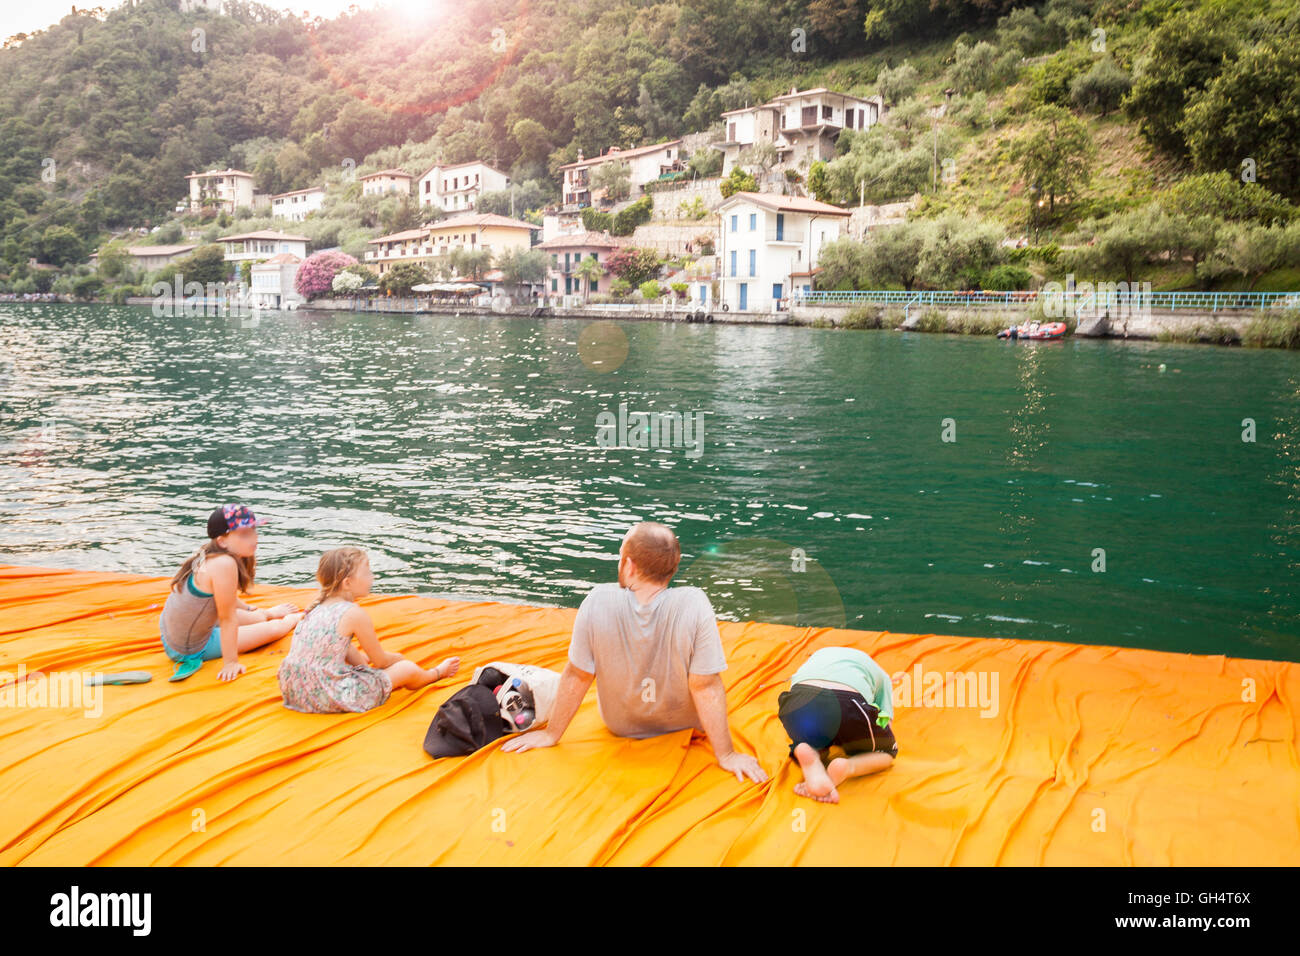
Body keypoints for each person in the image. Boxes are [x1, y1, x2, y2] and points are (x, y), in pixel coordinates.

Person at [502, 522, 767, 784]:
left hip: (621, 726)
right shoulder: (694, 603)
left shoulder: (597, 600)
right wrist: (727, 754)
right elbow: (704, 685)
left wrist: (551, 735)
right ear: (673, 566)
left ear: (629, 566)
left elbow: (577, 675)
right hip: (685, 724)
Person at [277, 547, 460, 713]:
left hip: (295, 691)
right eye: (367, 573)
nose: (372, 577)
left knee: (359, 659)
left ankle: (369, 678)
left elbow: (341, 646)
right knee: (406, 668)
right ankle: (435, 673)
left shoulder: (316, 607)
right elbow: (380, 661)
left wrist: (364, 669)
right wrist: (397, 658)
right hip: (328, 696)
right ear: (347, 583)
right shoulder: (353, 613)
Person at [160, 504, 303, 682]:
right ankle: (294, 619)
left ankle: (267, 614)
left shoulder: (209, 553)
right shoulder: (224, 563)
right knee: (275, 629)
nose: (254, 540)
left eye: (253, 531)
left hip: (174, 632)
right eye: (244, 535)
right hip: (189, 647)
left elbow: (222, 598)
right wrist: (230, 662)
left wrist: (250, 610)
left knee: (256, 618)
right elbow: (227, 618)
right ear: (222, 541)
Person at [778, 646, 898, 804]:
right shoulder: (881, 675)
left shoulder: (817, 657)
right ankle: (847, 767)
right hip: (846, 700)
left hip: (796, 701)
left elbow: (797, 684)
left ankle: (810, 749)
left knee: (815, 728)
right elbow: (886, 723)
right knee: (887, 752)